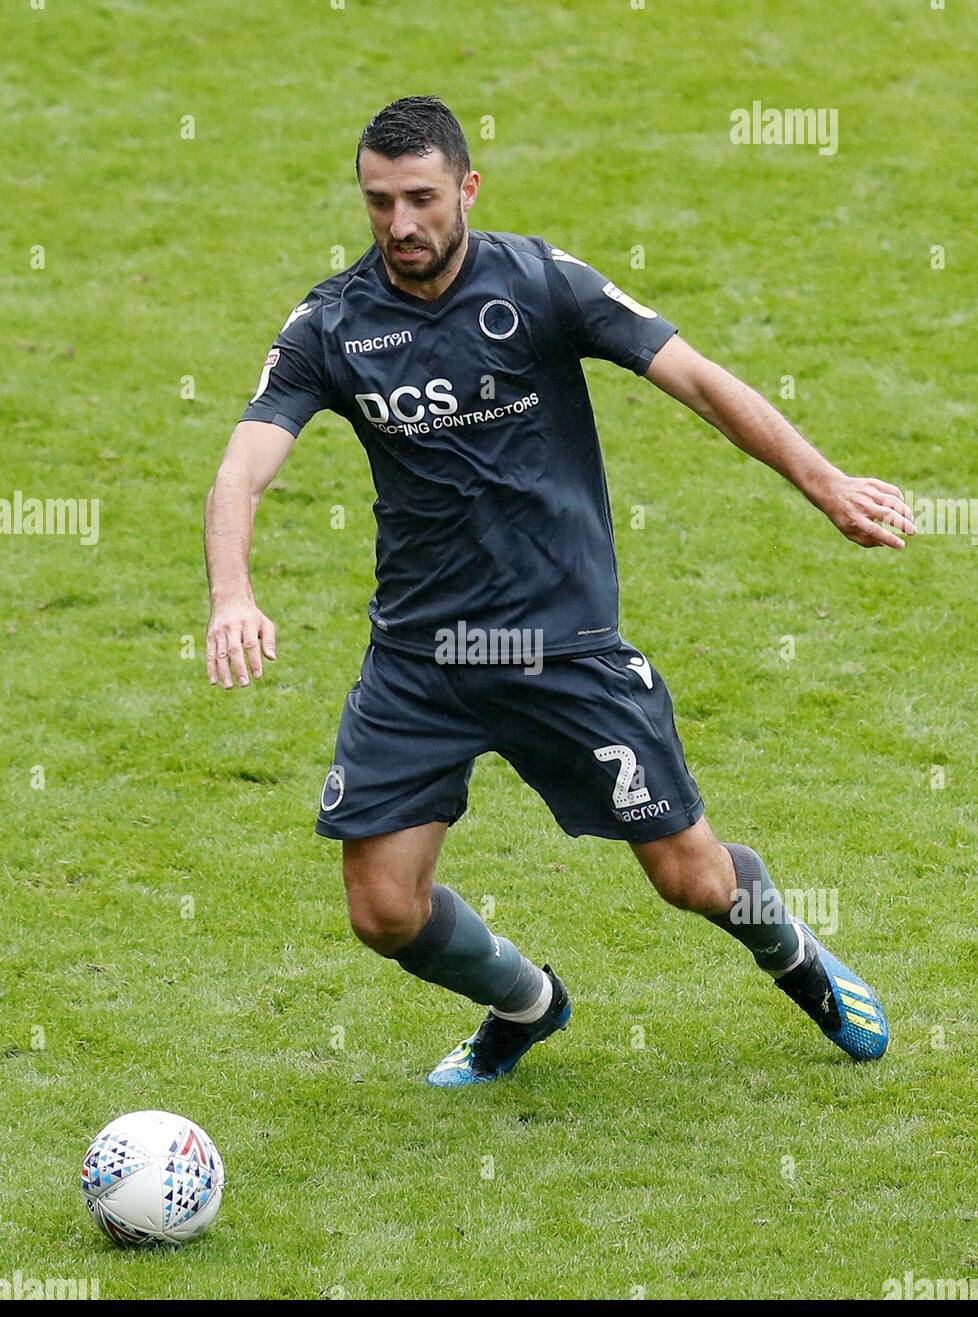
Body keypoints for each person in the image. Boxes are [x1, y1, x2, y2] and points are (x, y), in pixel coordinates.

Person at [204, 96, 913, 1087]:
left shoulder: (541, 284)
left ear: (467, 189)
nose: (400, 225)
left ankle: (792, 953)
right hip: (422, 662)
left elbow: (700, 381)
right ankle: (526, 1002)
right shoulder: (333, 324)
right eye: (378, 203)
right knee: (383, 911)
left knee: (692, 878)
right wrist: (232, 593)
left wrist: (826, 482)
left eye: (420, 198)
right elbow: (242, 468)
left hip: (562, 648)